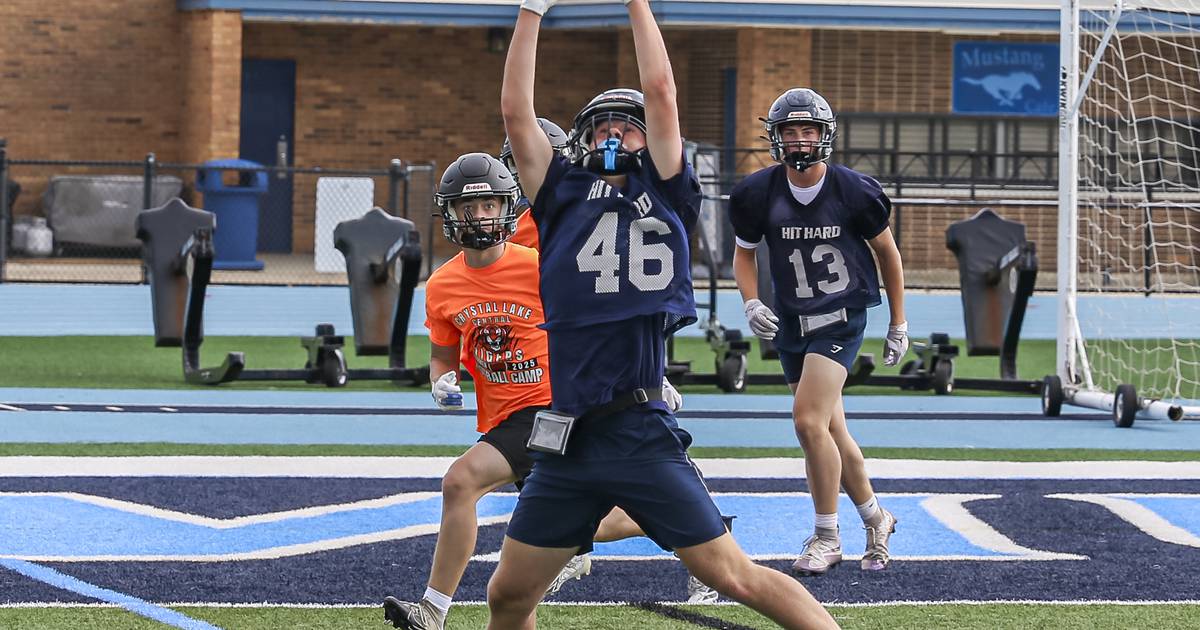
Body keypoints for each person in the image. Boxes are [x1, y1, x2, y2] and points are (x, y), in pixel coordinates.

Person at [490, 1, 839, 628]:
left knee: (733, 575)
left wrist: (636, 2)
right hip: (568, 433)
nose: (613, 137)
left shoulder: (667, 189)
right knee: (508, 596)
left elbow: (660, 87)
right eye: (602, 129)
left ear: (652, 138)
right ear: (580, 140)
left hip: (635, 426)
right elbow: (516, 111)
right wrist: (531, 10)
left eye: (627, 128)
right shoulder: (560, 194)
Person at [380, 152, 703, 630]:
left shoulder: (540, 264)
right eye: (469, 208)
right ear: (449, 214)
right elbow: (443, 353)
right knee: (531, 578)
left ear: (508, 208)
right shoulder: (443, 283)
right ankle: (670, 514)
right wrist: (440, 381)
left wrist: (650, 375)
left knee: (460, 481)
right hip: (503, 415)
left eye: (489, 205)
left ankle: (433, 609)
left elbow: (602, 317)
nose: (480, 217)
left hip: (555, 407)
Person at [728, 87, 910, 576]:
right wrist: (750, 300)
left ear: (825, 136)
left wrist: (898, 321)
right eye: (791, 131)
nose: (801, 140)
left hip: (841, 315)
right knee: (830, 429)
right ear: (776, 138)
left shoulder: (854, 190)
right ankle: (877, 517)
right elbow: (744, 254)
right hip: (792, 319)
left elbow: (887, 254)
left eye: (809, 130)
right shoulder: (757, 192)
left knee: (808, 422)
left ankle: (827, 536)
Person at [499, 117, 569, 251]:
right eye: (521, 161)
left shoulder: (593, 213)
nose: (533, 170)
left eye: (544, 159)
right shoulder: (512, 236)